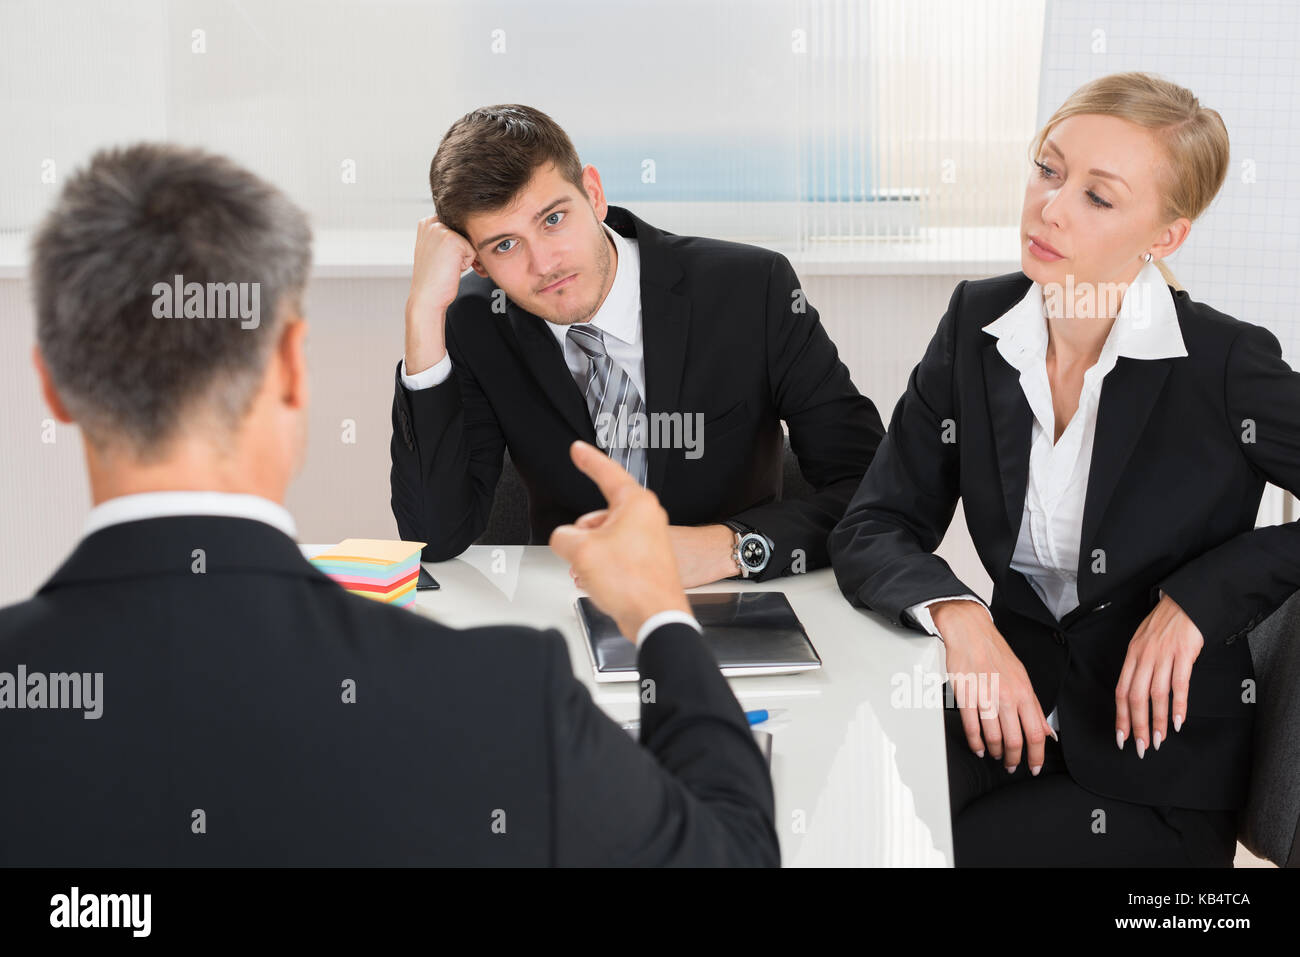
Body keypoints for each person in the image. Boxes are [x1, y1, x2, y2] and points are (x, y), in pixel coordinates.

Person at [0, 143, 779, 867]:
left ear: (52, 386)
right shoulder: (507, 699)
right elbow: (732, 853)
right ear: (293, 369)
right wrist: (660, 617)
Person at [829, 72, 1300, 866]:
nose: (1050, 207)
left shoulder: (1223, 363)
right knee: (842, 819)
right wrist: (961, 617)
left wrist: (1205, 595)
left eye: (1098, 197)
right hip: (1004, 715)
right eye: (1049, 169)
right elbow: (875, 521)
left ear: (1166, 236)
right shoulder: (977, 325)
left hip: (1153, 763)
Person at [391, 104, 885, 586]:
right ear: (477, 263)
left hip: (731, 593)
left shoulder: (753, 290)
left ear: (593, 194)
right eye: (505, 245)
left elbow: (869, 490)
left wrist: (730, 548)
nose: (544, 264)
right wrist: (423, 315)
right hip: (568, 600)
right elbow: (436, 535)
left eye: (553, 219)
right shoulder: (478, 322)